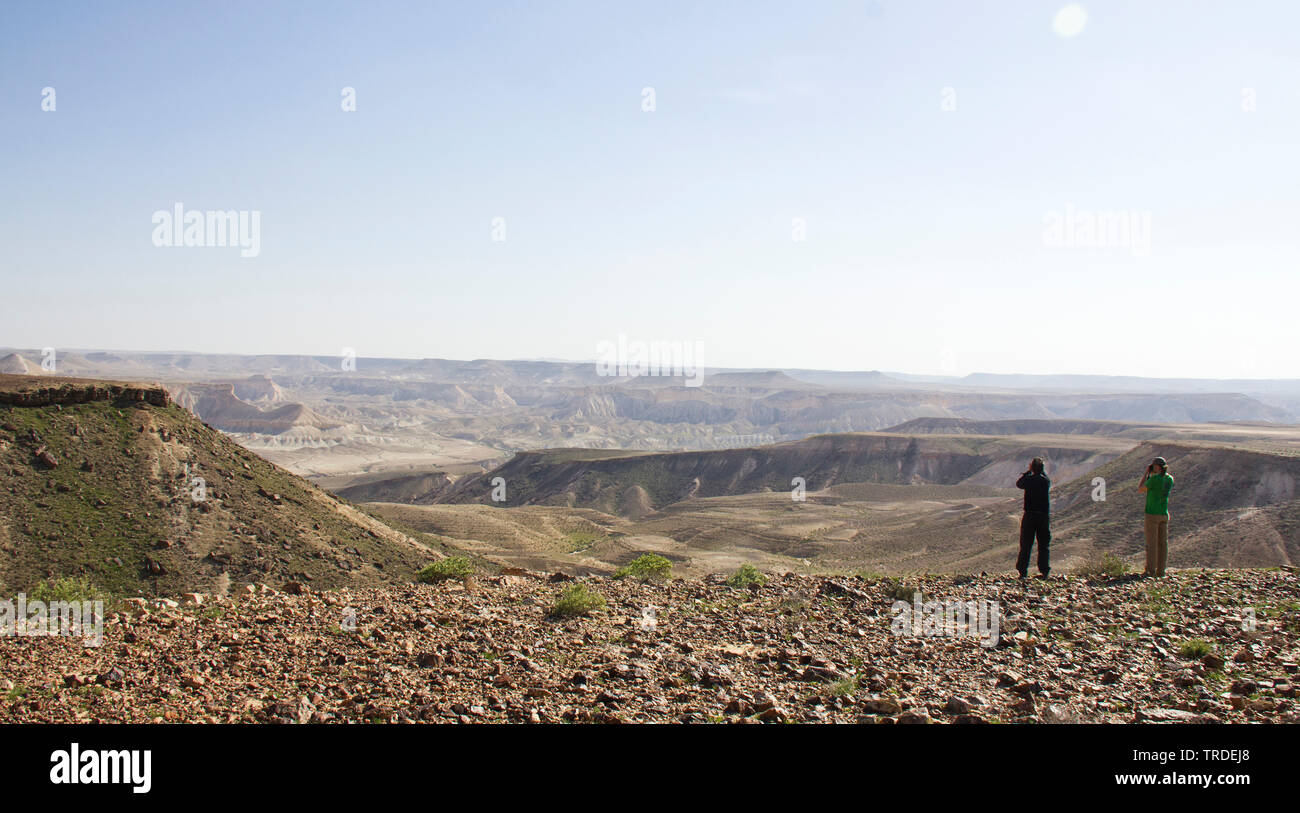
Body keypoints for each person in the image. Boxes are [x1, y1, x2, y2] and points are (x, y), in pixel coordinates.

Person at [1138, 456, 1174, 577]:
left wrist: (1146, 474)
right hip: (1164, 514)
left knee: (1151, 543)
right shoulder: (1170, 479)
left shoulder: (1154, 479)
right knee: (1163, 544)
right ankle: (1161, 571)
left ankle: (1151, 570)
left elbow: (1141, 489)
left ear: (1157, 467)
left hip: (1152, 514)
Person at [1015, 457, 1051, 579]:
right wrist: (1040, 472)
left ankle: (1022, 571)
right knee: (1043, 544)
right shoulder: (1045, 481)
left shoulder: (1029, 480)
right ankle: (1044, 570)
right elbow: (1048, 480)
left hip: (1029, 515)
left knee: (1026, 544)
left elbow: (1019, 484)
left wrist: (1027, 473)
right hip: (1043, 516)